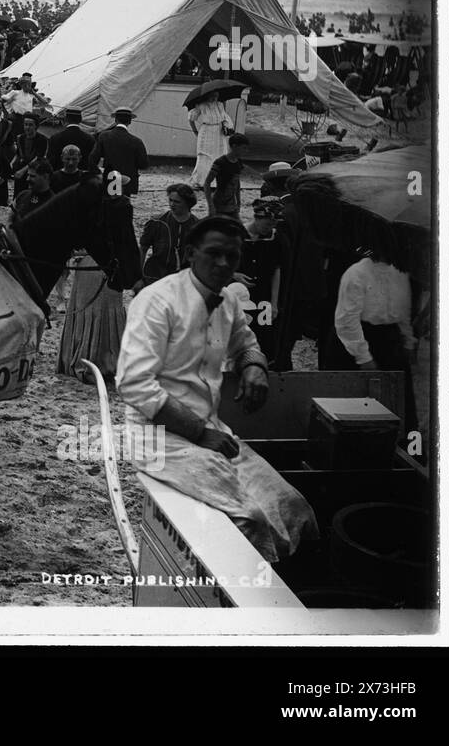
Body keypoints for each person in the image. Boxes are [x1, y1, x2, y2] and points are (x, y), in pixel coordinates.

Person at [115, 216, 318, 563]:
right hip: (159, 437)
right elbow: (133, 384)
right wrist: (199, 432)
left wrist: (254, 367)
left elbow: (246, 343)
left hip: (214, 432)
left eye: (232, 257)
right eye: (214, 254)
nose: (223, 264)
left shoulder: (227, 301)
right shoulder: (156, 301)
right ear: (191, 254)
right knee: (249, 521)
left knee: (293, 509)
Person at [322, 243, 418, 433]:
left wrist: (408, 341)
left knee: (397, 400)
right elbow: (347, 320)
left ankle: (400, 447)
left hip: (388, 338)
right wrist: (364, 358)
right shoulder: (356, 273)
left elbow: (403, 310)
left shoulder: (400, 273)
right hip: (357, 338)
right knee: (352, 404)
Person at [239, 198, 283, 361]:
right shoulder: (238, 236)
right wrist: (235, 276)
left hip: (263, 298)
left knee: (265, 341)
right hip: (241, 298)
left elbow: (276, 270)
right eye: (267, 224)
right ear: (258, 218)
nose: (270, 228)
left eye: (273, 225)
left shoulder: (274, 239)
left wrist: (274, 302)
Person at [136, 184, 199, 288]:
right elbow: (143, 249)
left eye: (177, 202)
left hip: (184, 281)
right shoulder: (157, 222)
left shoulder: (197, 226)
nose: (172, 204)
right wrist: (138, 277)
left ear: (188, 203)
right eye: (170, 200)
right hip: (156, 278)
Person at [87, 107, 147, 202]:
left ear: (115, 120)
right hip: (127, 183)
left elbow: (92, 159)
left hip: (109, 180)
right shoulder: (137, 141)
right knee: (123, 207)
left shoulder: (104, 136)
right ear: (130, 121)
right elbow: (143, 164)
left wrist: (98, 174)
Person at [188, 96, 234, 187]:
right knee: (204, 156)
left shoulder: (220, 105)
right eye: (212, 95)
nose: (214, 97)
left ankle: (218, 180)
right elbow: (191, 118)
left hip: (219, 132)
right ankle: (200, 181)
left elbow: (225, 117)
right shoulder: (201, 105)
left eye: (216, 95)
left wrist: (227, 126)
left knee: (220, 154)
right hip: (206, 131)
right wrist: (195, 131)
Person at [204, 133, 249, 218]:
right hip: (219, 205)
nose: (246, 151)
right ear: (234, 146)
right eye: (244, 148)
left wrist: (238, 201)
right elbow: (207, 183)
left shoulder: (238, 162)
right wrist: (210, 206)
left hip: (232, 206)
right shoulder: (220, 162)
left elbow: (237, 182)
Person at [9, 113, 47, 200]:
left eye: (30, 125)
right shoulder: (20, 138)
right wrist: (11, 163)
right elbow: (18, 154)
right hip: (21, 167)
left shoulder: (42, 140)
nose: (27, 127)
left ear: (36, 126)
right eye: (26, 125)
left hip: (34, 169)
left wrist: (22, 171)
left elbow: (38, 158)